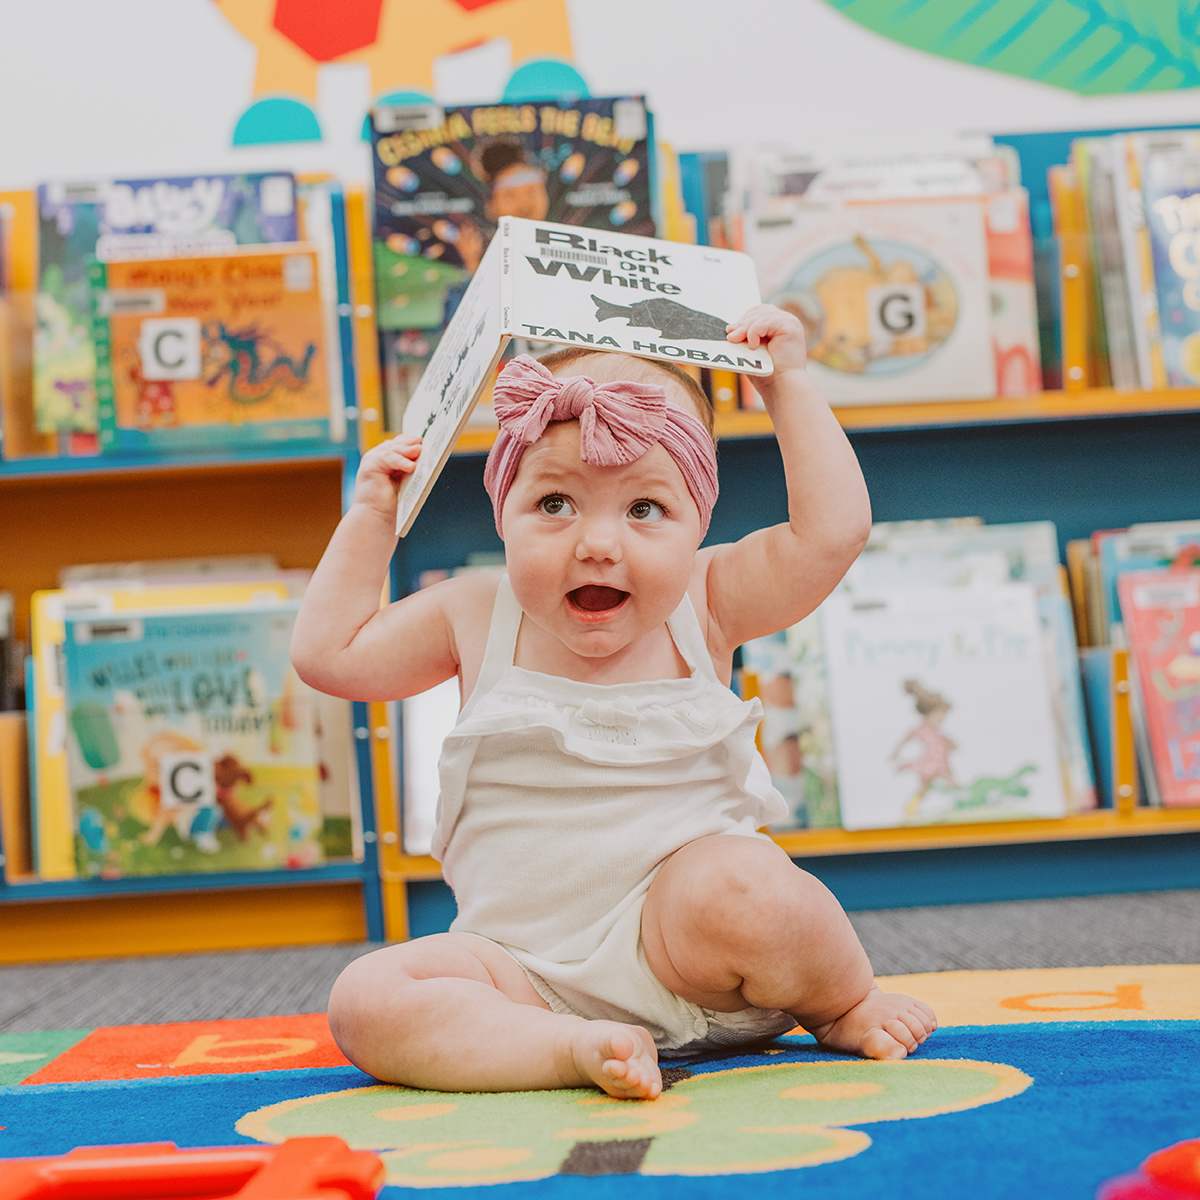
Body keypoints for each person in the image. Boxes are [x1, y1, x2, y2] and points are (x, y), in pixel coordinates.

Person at [290, 304, 937, 1101]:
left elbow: (833, 533)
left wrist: (789, 387)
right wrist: (371, 522)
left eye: (644, 510)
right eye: (555, 505)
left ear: (698, 523)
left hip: (694, 956)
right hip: (517, 969)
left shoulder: (709, 601)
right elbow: (330, 655)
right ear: (504, 511)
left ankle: (842, 1004)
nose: (597, 543)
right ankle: (567, 1048)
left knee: (749, 886)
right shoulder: (471, 612)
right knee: (368, 998)